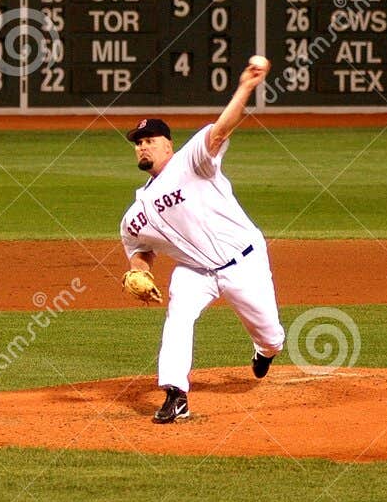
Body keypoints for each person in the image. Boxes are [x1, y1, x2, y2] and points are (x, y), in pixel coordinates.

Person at [118, 58, 285, 424]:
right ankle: (176, 394)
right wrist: (138, 272)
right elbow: (139, 248)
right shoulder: (135, 213)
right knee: (178, 315)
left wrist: (246, 87)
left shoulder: (192, 161)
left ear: (168, 146)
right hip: (195, 271)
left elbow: (223, 128)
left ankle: (264, 350)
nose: (143, 147)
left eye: (150, 141)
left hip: (244, 260)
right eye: (138, 143)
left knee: (272, 336)